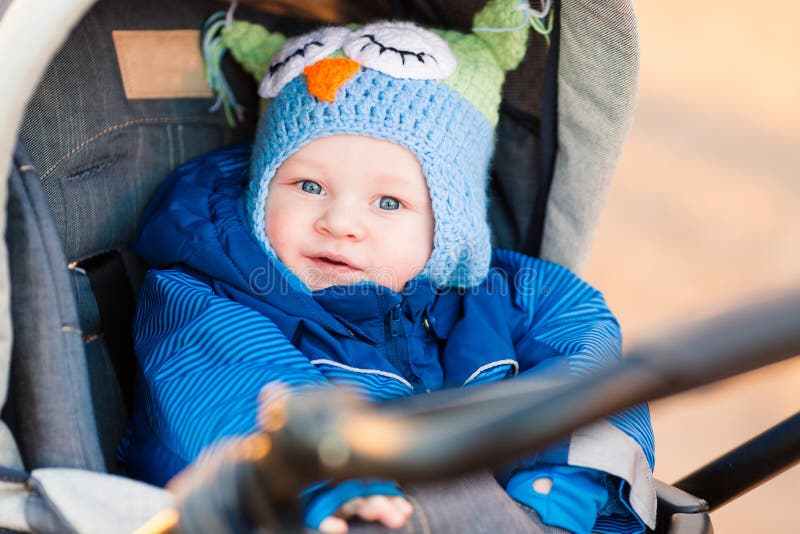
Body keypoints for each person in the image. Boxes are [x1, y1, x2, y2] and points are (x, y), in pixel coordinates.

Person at [120, 1, 656, 532]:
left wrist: (552, 503)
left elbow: (583, 354)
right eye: (309, 187)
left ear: (450, 222)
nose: (339, 222)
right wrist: (330, 489)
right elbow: (232, 392)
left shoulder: (509, 296)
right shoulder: (211, 295)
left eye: (388, 203)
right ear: (259, 192)